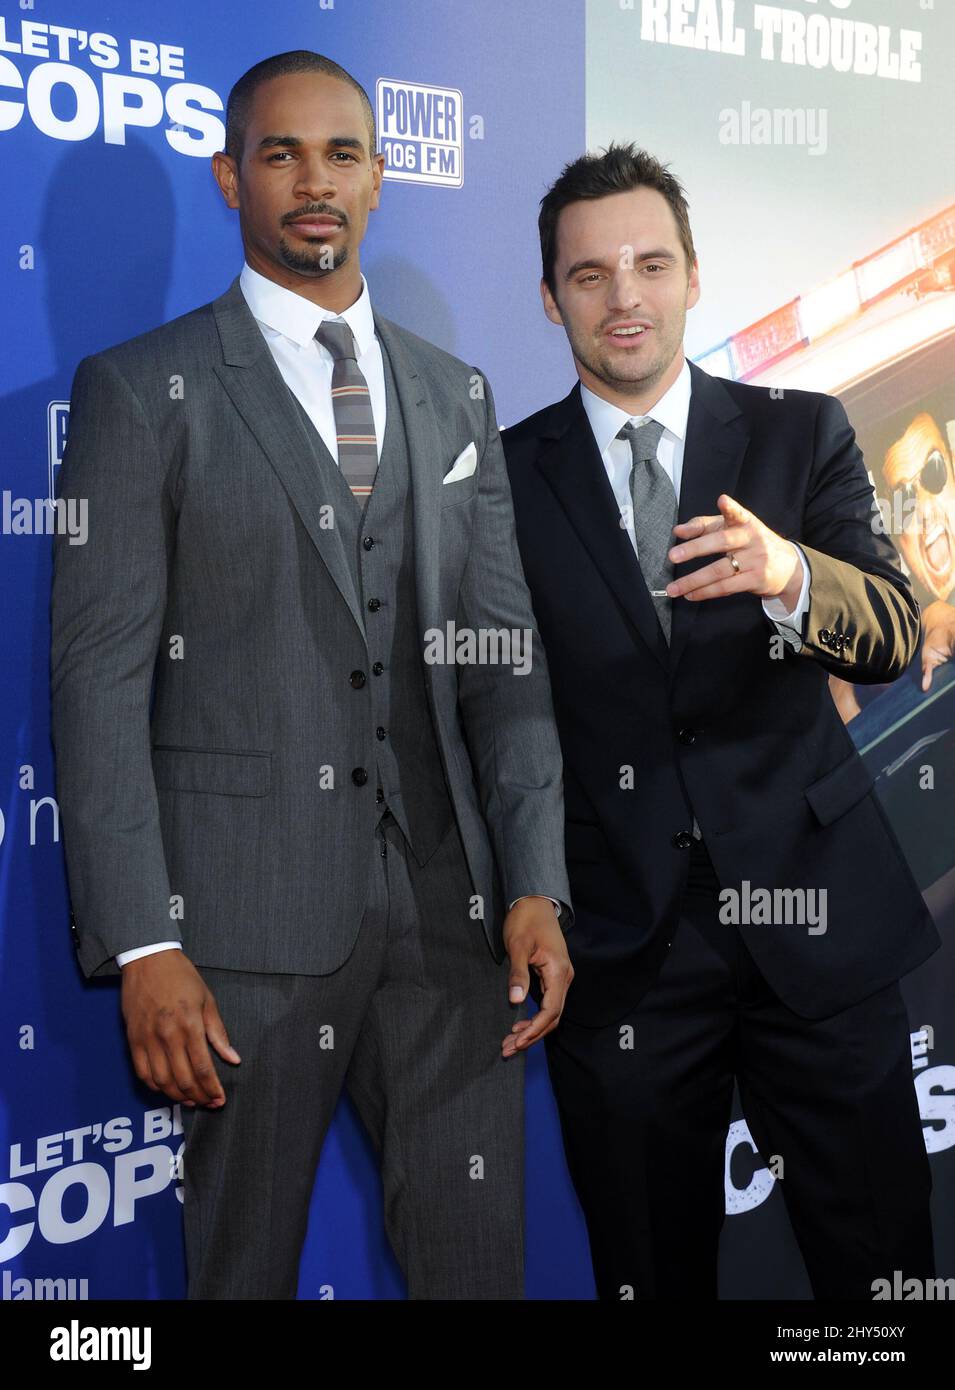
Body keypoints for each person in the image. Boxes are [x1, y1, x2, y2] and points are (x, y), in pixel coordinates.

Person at [50, 50, 573, 1301]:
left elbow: (501, 663)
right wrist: (141, 944)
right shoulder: (138, 393)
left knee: (475, 1275)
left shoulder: (456, 398)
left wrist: (537, 882)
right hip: (240, 938)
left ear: (382, 180)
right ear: (233, 176)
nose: (313, 181)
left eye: (341, 152)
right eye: (280, 153)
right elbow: (100, 682)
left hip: (454, 929)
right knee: (241, 1282)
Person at [501, 142, 939, 1300]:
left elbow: (894, 633)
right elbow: (499, 712)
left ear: (693, 274)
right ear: (549, 298)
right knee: (648, 1272)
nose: (624, 296)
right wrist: (530, 891)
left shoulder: (801, 431)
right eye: (589, 275)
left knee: (879, 1274)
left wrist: (790, 571)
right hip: (624, 954)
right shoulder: (499, 478)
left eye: (650, 263)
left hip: (821, 923)